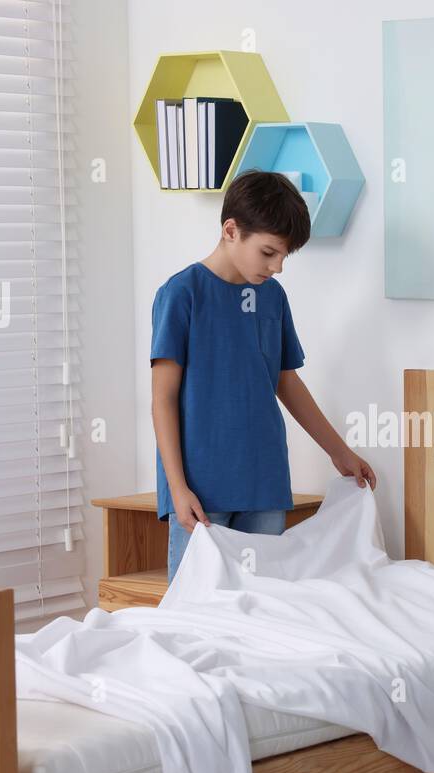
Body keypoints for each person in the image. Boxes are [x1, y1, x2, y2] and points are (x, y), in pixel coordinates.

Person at [150, 170, 376, 582]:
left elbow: (285, 381)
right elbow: (162, 399)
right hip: (202, 486)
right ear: (231, 230)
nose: (277, 267)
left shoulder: (272, 297)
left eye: (284, 257)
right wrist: (176, 488)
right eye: (269, 253)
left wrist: (339, 451)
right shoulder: (182, 294)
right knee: (196, 608)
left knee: (263, 605)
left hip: (264, 480)